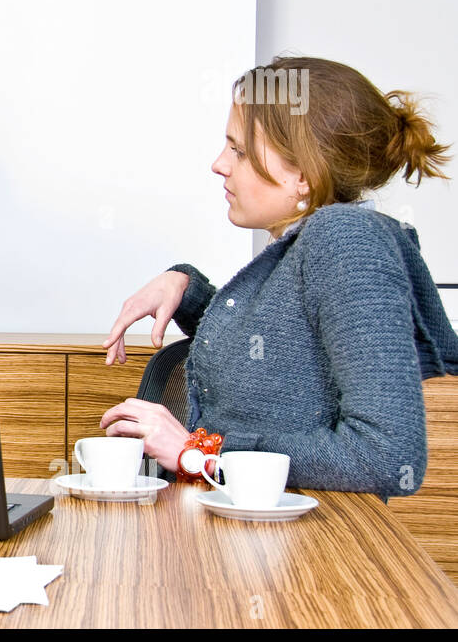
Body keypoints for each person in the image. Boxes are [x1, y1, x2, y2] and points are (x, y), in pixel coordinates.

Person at [101, 56, 458, 497]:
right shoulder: (308, 245)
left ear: (303, 176)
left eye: (240, 151)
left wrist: (201, 452)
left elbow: (386, 458)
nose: (219, 164)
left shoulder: (344, 239)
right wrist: (185, 287)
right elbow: (276, 362)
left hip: (305, 555)